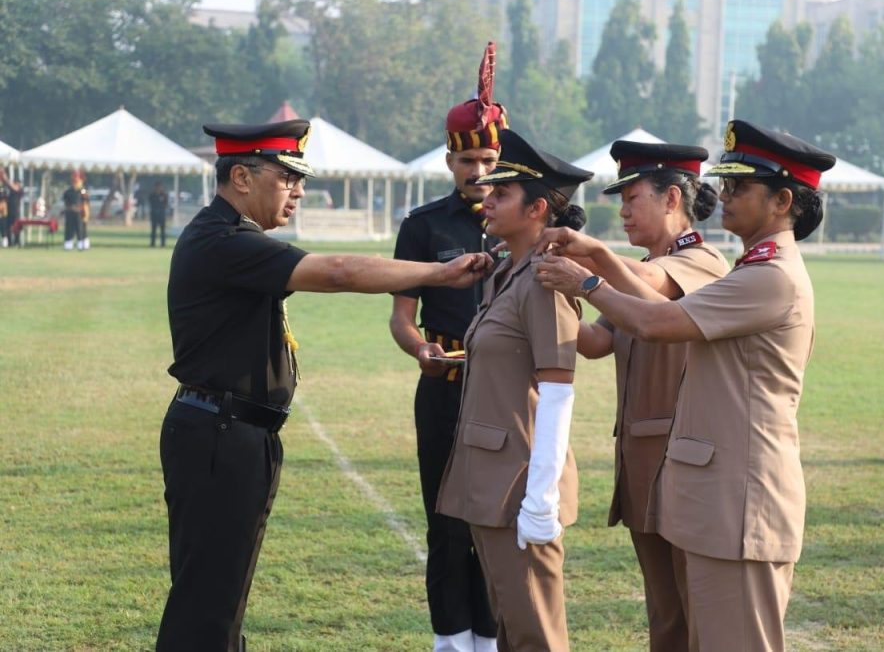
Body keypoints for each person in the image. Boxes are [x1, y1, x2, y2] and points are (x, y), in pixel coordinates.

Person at [157, 119, 492, 652]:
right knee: (208, 602)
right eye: (287, 178)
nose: (297, 191)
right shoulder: (224, 241)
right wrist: (439, 274)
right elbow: (337, 271)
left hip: (232, 432)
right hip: (221, 434)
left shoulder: (232, 237)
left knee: (222, 596)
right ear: (241, 177)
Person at [537, 119, 835, 651]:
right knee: (685, 629)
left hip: (741, 496)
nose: (725, 196)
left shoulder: (770, 276)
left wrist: (587, 276)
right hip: (718, 493)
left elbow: (656, 319)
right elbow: (619, 328)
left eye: (740, 187)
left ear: (783, 200)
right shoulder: (756, 270)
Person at [533, 140, 729, 651]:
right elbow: (598, 341)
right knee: (666, 614)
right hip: (643, 459)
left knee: (698, 610)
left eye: (631, 198)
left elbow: (651, 285)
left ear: (671, 200)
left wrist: (591, 260)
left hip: (685, 461)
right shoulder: (632, 269)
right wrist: (537, 294)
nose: (621, 211)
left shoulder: (702, 261)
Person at [436, 129, 592, 652]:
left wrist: (542, 497)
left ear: (538, 208)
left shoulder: (545, 282)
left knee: (535, 636)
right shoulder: (507, 273)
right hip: (491, 482)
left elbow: (557, 390)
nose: (487, 196)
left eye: (502, 193)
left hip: (521, 485)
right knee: (510, 630)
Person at [389, 42, 505, 652]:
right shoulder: (424, 225)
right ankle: (450, 641)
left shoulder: (521, 221)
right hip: (443, 383)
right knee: (444, 521)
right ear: (449, 160)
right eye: (469, 161)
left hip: (503, 390)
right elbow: (401, 317)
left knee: (493, 521)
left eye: (489, 158)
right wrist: (420, 352)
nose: (479, 172)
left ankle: (487, 640)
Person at [62, 170, 88, 250]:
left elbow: (86, 199)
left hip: (79, 213)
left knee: (80, 229)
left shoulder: (82, 190)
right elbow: (66, 202)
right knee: (69, 229)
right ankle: (68, 245)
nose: (75, 182)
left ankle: (81, 245)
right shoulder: (68, 191)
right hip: (70, 213)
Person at [149, 181, 169, 248]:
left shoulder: (164, 195)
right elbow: (151, 203)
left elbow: (166, 204)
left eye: (159, 187)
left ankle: (163, 244)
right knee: (153, 230)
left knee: (162, 230)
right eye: (157, 187)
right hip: (154, 214)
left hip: (161, 214)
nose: (158, 188)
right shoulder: (152, 195)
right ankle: (152, 243)